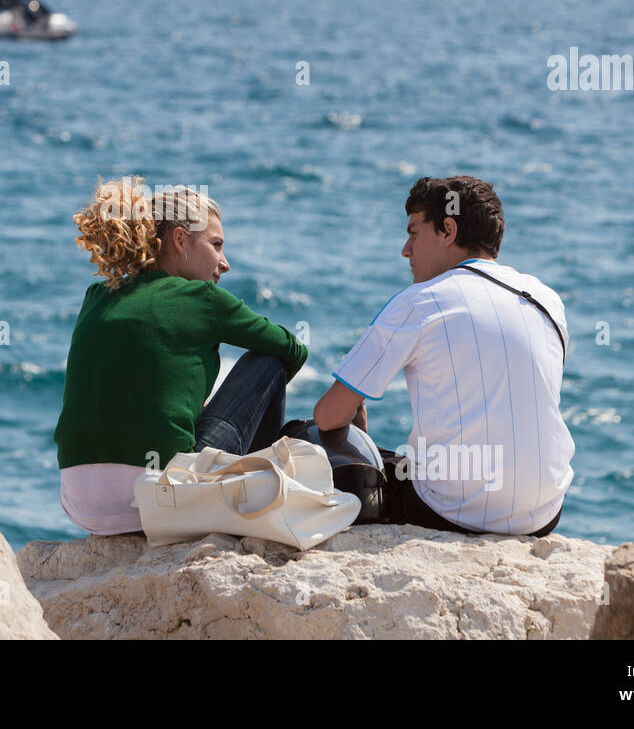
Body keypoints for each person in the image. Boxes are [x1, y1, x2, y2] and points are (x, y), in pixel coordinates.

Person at [312, 175, 573, 537]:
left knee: (309, 438)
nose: (406, 250)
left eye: (414, 233)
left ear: (448, 230)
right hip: (542, 514)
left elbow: (328, 417)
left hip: (452, 513)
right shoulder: (546, 299)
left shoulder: (419, 301)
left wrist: (358, 435)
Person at [53, 176, 308, 535]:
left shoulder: (97, 296)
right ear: (179, 241)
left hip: (82, 506)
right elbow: (292, 348)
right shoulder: (201, 299)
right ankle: (259, 503)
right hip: (159, 500)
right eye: (216, 245)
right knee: (268, 361)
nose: (224, 263)